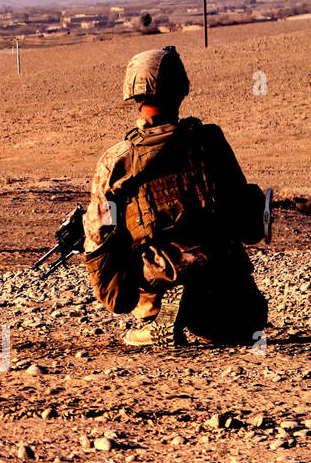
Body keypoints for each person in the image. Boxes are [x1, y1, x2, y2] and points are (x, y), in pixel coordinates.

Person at [82, 46, 268, 347]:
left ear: (133, 94)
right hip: (235, 303)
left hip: (166, 274)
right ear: (181, 89)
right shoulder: (211, 141)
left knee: (110, 239)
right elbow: (246, 221)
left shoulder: (116, 160)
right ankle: (203, 317)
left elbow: (99, 232)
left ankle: (159, 316)